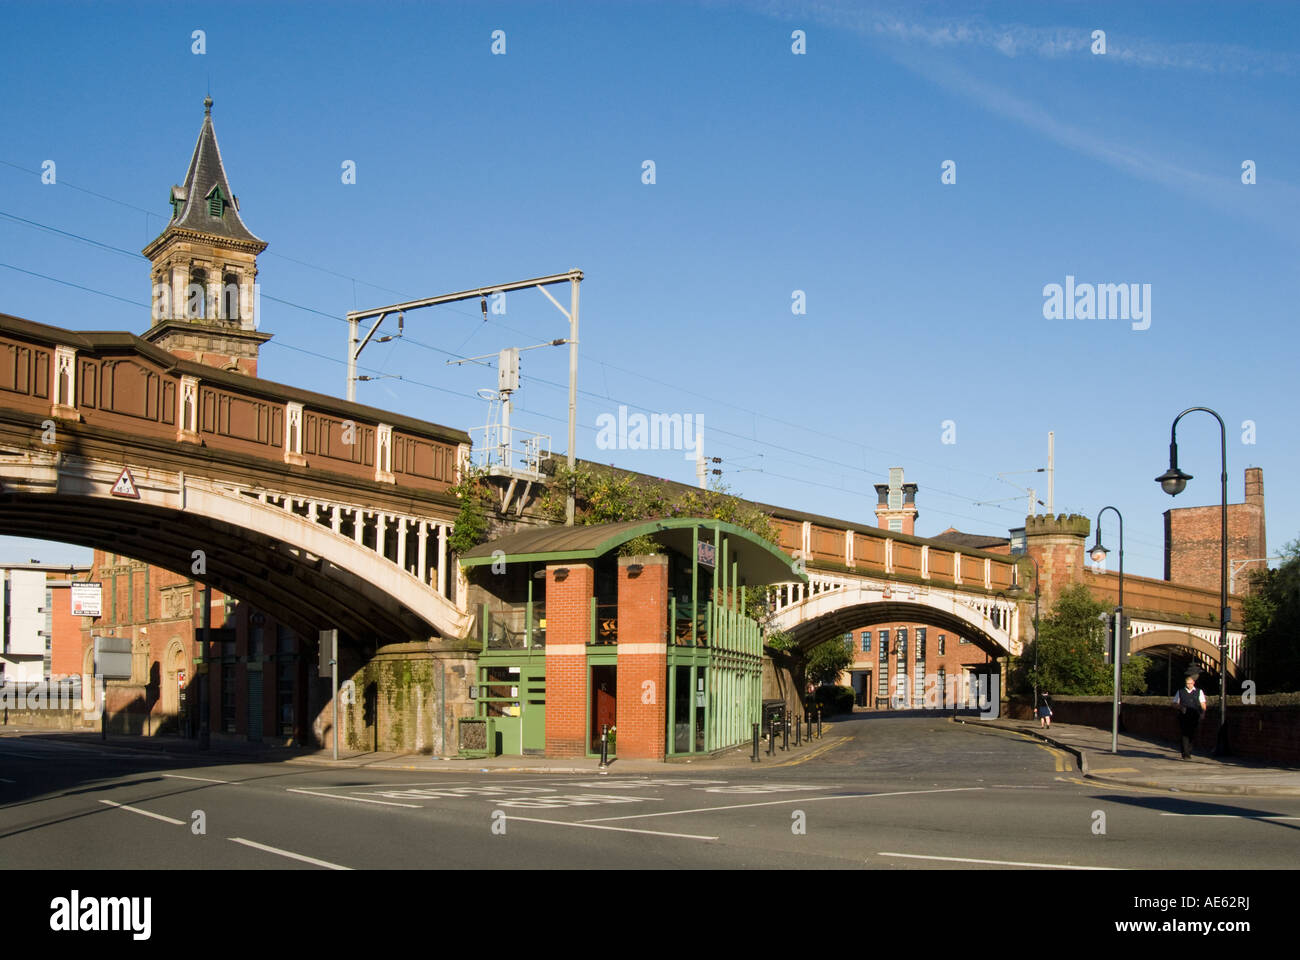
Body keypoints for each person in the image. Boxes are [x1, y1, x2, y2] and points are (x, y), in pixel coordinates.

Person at [1172, 668, 1207, 760]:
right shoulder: (1180, 692)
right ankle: (1186, 753)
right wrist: (1181, 707)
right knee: (1184, 733)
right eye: (1187, 684)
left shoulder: (1199, 691)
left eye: (1191, 683)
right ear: (1185, 683)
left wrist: (1203, 713)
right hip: (1183, 715)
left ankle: (1188, 750)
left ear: (1193, 683)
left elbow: (1203, 703)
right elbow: (1174, 703)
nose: (1189, 685)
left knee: (1191, 733)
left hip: (1194, 715)